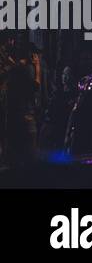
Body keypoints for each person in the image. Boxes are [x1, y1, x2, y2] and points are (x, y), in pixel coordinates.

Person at [2, 41, 39, 169]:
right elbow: (35, 86)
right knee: (29, 155)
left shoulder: (13, 72)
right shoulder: (23, 70)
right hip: (25, 114)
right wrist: (38, 67)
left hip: (14, 116)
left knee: (17, 154)